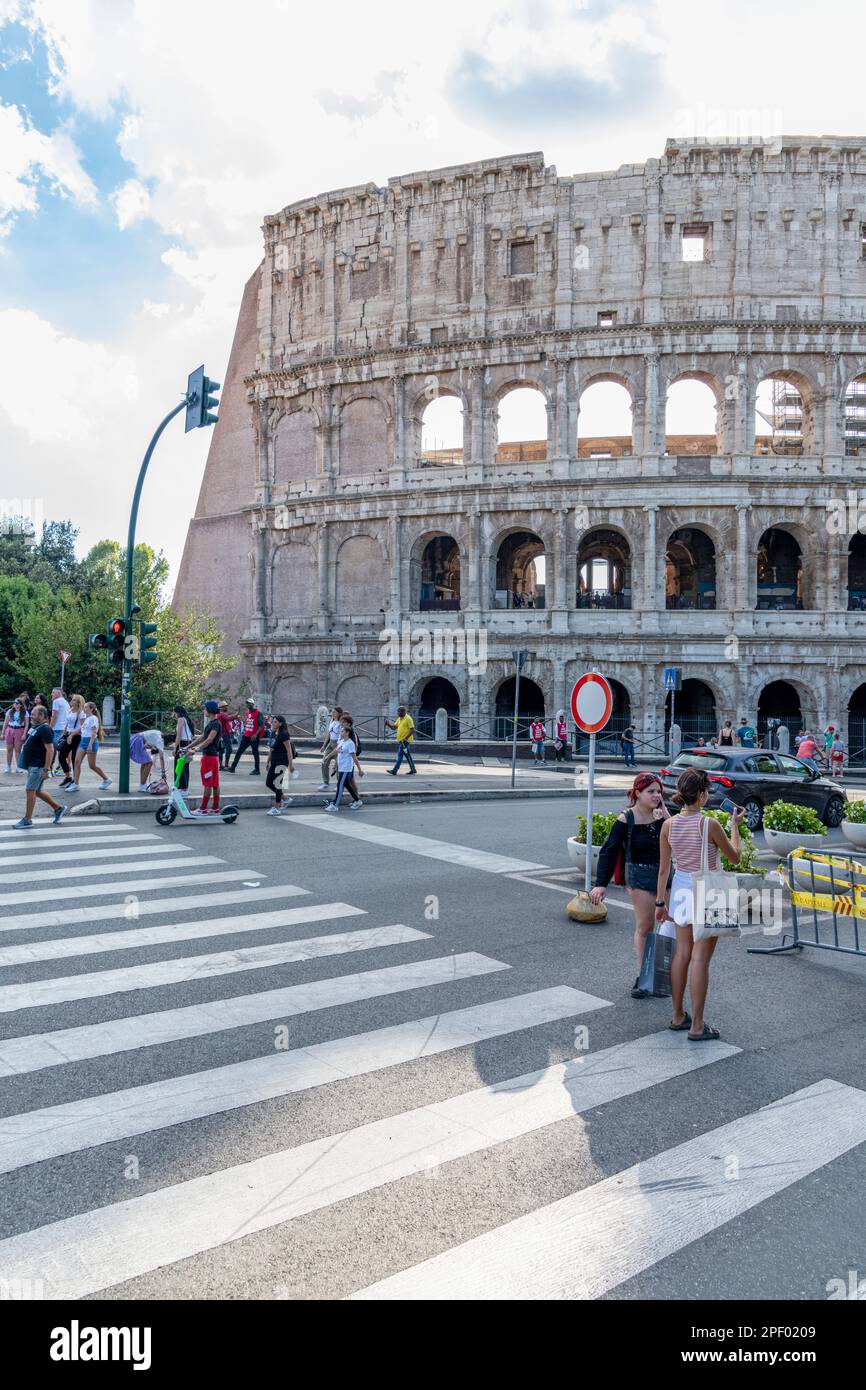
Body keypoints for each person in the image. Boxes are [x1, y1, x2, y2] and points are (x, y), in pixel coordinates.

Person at [656, 767, 743, 1041]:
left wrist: (660, 902)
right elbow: (735, 857)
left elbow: (663, 869)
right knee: (700, 959)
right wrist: (735, 826)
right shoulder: (710, 825)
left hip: (681, 889)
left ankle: (678, 1015)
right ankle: (698, 1025)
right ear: (703, 795)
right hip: (707, 890)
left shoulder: (668, 825)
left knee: (682, 954)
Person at [590, 773, 671, 998]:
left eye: (658, 791)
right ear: (637, 793)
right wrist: (601, 884)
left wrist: (664, 813)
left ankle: (661, 976)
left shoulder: (662, 816)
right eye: (651, 791)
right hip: (640, 876)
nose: (656, 795)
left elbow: (676, 838)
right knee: (646, 926)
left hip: (666, 876)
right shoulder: (627, 818)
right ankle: (644, 976)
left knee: (667, 926)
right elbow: (609, 850)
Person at [12, 704, 68, 829]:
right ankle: (58, 808)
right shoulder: (37, 727)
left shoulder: (45, 729)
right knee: (37, 791)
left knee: (30, 791)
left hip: (38, 766)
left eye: (34, 714)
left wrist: (46, 769)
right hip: (33, 765)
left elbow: (50, 750)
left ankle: (27, 819)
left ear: (42, 716)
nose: (31, 716)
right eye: (31, 714)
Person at [187, 699, 223, 814]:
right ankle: (215, 807)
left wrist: (196, 749)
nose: (204, 710)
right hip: (212, 758)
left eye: (205, 708)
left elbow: (209, 739)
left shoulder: (216, 724)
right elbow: (202, 737)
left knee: (209, 783)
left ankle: (203, 809)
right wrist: (189, 746)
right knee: (214, 783)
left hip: (209, 758)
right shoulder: (211, 724)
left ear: (210, 710)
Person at [67, 703, 111, 792]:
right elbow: (81, 729)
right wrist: (71, 735)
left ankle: (106, 779)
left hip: (91, 742)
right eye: (84, 707)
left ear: (91, 709)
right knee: (76, 762)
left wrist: (90, 744)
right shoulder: (87, 718)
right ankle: (75, 784)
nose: (84, 708)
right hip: (83, 741)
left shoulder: (94, 718)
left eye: (86, 707)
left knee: (92, 765)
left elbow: (94, 732)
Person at [325, 717, 364, 811]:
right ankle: (357, 801)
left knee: (340, 785)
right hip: (341, 767)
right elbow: (336, 750)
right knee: (346, 785)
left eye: (342, 731)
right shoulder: (342, 741)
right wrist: (328, 756)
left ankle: (335, 805)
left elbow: (354, 757)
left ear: (347, 733)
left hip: (346, 768)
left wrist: (359, 769)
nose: (340, 732)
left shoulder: (350, 744)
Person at [265, 714, 295, 815]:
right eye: (272, 721)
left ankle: (276, 807)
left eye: (275, 722)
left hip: (282, 761)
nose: (273, 723)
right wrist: (268, 761)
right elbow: (271, 748)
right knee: (268, 783)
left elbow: (289, 750)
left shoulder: (284, 734)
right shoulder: (273, 733)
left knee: (278, 784)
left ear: (280, 723)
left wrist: (291, 765)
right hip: (274, 760)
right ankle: (285, 798)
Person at [230, 697, 266, 775]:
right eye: (247, 703)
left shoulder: (258, 713)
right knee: (239, 751)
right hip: (246, 736)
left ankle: (257, 770)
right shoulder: (247, 712)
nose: (248, 704)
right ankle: (233, 767)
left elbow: (261, 725)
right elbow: (248, 722)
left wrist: (256, 734)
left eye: (249, 703)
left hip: (254, 737)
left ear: (253, 704)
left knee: (255, 753)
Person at [57, 693, 84, 787]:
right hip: (68, 735)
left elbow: (82, 727)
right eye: (72, 700)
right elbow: (67, 723)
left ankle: (75, 781)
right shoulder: (70, 710)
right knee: (61, 756)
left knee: (74, 759)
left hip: (77, 737)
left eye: (74, 700)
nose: (71, 701)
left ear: (78, 702)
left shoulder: (81, 713)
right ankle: (68, 777)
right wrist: (64, 734)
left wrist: (72, 735)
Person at [385, 705, 417, 775]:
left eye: (399, 711)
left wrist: (406, 738)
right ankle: (413, 769)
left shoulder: (408, 718)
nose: (397, 713)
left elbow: (412, 730)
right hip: (401, 741)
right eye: (397, 711)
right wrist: (388, 724)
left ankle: (394, 770)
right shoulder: (399, 719)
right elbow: (394, 727)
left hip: (405, 741)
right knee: (407, 755)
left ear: (403, 712)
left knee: (400, 755)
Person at [318, 706, 343, 790]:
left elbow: (342, 736)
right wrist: (324, 746)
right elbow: (329, 734)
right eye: (332, 712)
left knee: (338, 765)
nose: (332, 713)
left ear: (339, 713)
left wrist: (340, 747)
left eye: (334, 712)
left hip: (338, 744)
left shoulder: (341, 723)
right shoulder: (332, 721)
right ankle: (326, 783)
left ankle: (340, 785)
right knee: (324, 763)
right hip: (330, 744)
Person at [48, 687, 71, 776]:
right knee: (63, 749)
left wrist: (50, 727)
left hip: (57, 728)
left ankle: (51, 769)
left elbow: (54, 716)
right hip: (64, 728)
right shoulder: (66, 702)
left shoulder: (56, 702)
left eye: (53, 692)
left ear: (59, 693)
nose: (52, 694)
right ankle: (63, 768)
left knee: (52, 749)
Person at [171, 704, 195, 790]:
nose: (173, 714)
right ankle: (184, 787)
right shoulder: (186, 719)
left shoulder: (181, 720)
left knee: (179, 765)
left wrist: (175, 747)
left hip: (182, 744)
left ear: (177, 712)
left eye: (173, 712)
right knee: (185, 765)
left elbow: (179, 735)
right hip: (188, 743)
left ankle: (181, 787)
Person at [3, 696, 29, 772]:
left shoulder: (25, 712)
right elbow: (5, 722)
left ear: (20, 704)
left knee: (18, 750)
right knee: (9, 750)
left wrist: (24, 734)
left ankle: (18, 767)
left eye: (17, 703)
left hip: (19, 730)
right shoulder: (9, 711)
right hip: (10, 729)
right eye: (14, 703)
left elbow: (26, 724)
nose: (15, 704)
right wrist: (3, 733)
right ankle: (8, 767)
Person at [216, 702, 237, 769]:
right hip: (224, 735)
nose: (226, 707)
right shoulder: (221, 714)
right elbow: (229, 718)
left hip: (222, 734)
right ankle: (226, 765)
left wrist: (230, 730)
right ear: (221, 708)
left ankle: (221, 765)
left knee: (221, 750)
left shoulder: (221, 714)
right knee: (229, 749)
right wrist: (237, 713)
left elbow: (227, 723)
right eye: (225, 706)